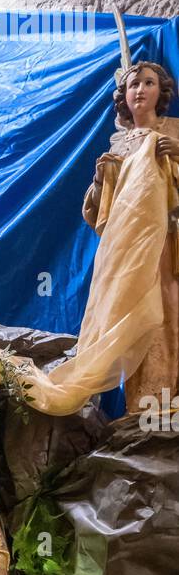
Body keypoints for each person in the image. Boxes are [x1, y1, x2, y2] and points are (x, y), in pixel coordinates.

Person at [83, 60, 179, 412]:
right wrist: (98, 183)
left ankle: (173, 399)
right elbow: (98, 215)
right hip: (132, 249)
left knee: (171, 310)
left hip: (170, 240)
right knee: (139, 318)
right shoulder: (118, 145)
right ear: (123, 95)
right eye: (133, 84)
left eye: (149, 83)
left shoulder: (175, 130)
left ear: (160, 91)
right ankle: (144, 403)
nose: (140, 90)